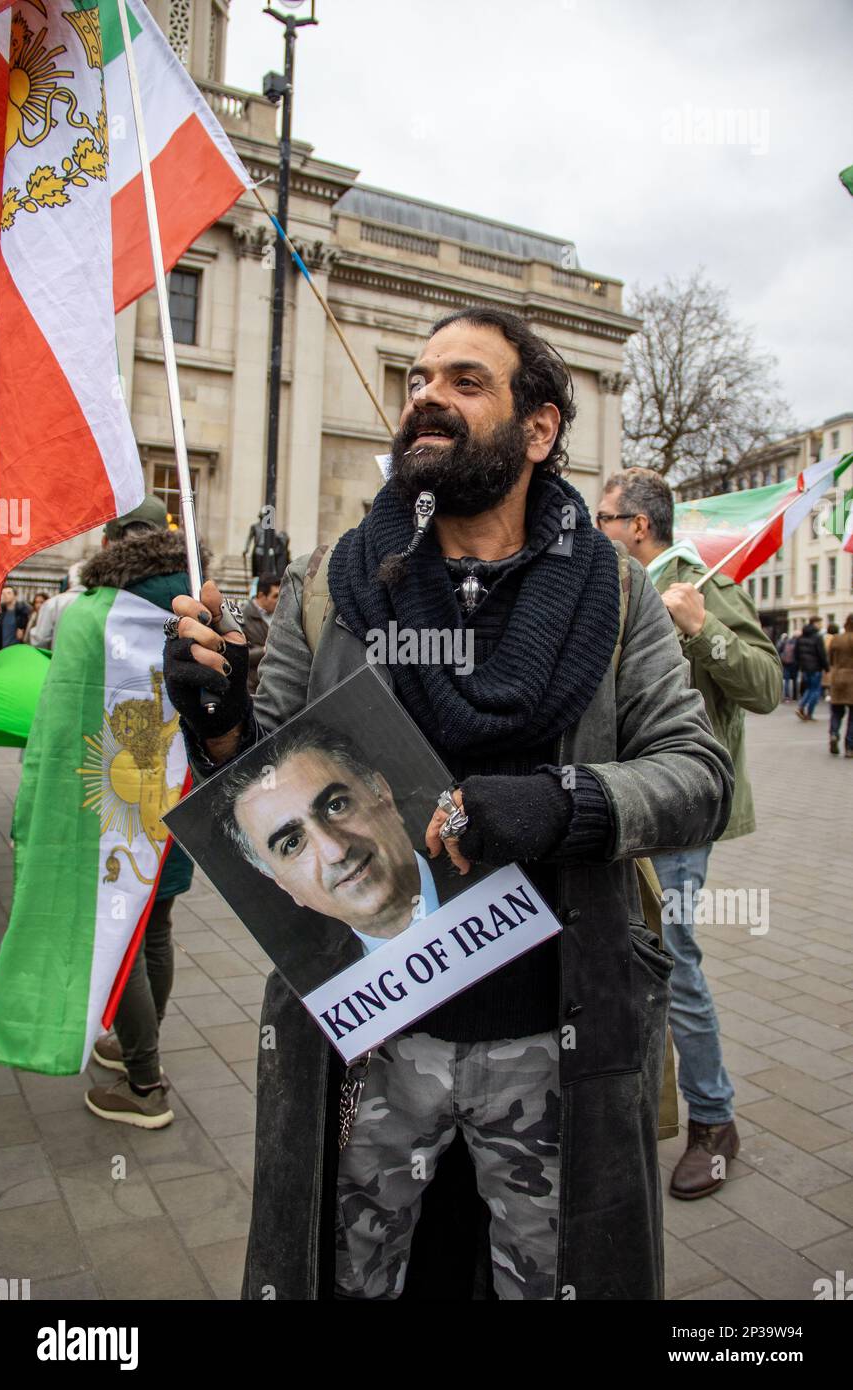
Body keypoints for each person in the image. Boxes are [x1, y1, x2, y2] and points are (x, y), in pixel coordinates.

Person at [164, 306, 732, 1301]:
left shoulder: (615, 593)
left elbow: (696, 774)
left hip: (554, 1029)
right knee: (354, 1277)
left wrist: (564, 802)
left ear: (539, 428)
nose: (424, 393)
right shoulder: (329, 585)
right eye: (418, 377)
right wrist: (213, 719)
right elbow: (258, 769)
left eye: (465, 381)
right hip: (370, 1036)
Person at [598, 467, 781, 1201]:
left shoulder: (704, 586)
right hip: (615, 808)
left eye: (605, 517)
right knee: (614, 956)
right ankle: (631, 1108)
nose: (596, 526)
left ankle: (713, 1121)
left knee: (673, 959)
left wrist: (703, 631)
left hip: (679, 813)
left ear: (638, 526)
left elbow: (764, 687)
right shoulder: (612, 590)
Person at [79, 497, 195, 1130]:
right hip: (182, 789)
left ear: (119, 539)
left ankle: (146, 1084)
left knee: (123, 929)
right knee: (155, 929)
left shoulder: (108, 605)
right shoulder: (200, 586)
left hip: (126, 798)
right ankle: (134, 1048)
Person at [217, 721, 444, 948]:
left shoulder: (477, 862)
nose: (335, 850)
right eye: (293, 843)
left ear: (383, 795)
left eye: (336, 806)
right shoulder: (300, 983)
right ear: (280, 882)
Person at [28, 563, 86, 650]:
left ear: (68, 581)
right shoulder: (101, 603)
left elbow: (39, 640)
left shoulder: (52, 603)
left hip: (58, 659)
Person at [241, 573, 280, 695]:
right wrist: (264, 650)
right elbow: (239, 655)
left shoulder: (281, 615)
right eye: (275, 596)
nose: (279, 601)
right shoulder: (242, 617)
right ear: (261, 596)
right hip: (254, 687)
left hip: (277, 685)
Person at [828, 614, 853, 757]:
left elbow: (830, 658)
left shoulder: (837, 639)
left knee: (836, 711)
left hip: (838, 676)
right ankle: (850, 746)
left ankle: (833, 733)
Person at [795, 618, 828, 721]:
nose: (821, 625)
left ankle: (801, 706)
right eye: (820, 623)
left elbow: (796, 653)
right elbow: (821, 654)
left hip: (805, 668)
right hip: (816, 667)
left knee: (809, 688)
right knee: (815, 690)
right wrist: (826, 667)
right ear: (815, 624)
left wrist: (800, 665)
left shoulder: (801, 637)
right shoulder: (817, 637)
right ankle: (809, 712)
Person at [244, 510, 290, 581]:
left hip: (267, 552)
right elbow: (249, 538)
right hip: (258, 550)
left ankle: (263, 584)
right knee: (257, 572)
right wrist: (246, 548)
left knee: (266, 571)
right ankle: (257, 584)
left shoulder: (270, 528)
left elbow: (275, 539)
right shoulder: (255, 527)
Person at [0, 585, 30, 660]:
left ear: (15, 596)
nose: (5, 596)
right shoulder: (1, 613)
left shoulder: (22, 612)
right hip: (3, 650)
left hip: (17, 651)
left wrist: (21, 627)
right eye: (3, 594)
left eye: (8, 593)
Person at [777, 629, 799, 702]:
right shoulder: (796, 643)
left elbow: (778, 652)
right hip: (794, 663)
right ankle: (795, 697)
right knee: (795, 680)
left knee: (786, 680)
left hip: (785, 663)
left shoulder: (783, 642)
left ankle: (787, 696)